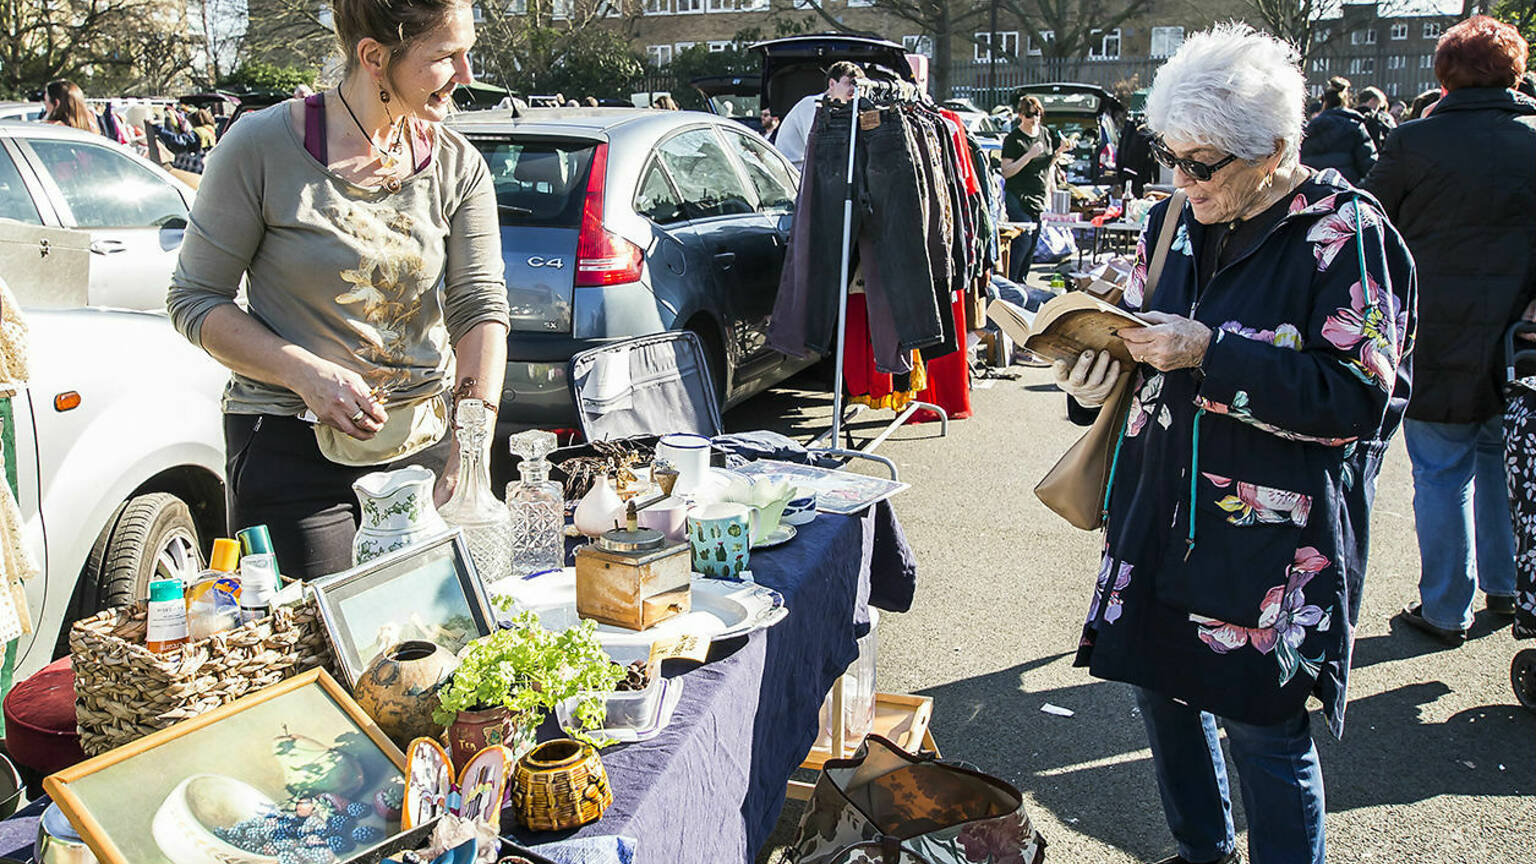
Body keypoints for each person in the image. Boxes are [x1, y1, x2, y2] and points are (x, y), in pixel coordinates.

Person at [1054, 24, 1415, 864]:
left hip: (1271, 543)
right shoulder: (1173, 217)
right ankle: (1201, 852)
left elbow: (1361, 398)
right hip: (1157, 514)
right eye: (1170, 155)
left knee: (1265, 737)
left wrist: (1211, 354)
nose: (1180, 179)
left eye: (1202, 162)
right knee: (1163, 702)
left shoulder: (1345, 232)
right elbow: (1147, 342)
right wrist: (1095, 382)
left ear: (1276, 149)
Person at [165, 0, 510, 579]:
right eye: (445, 57)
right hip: (291, 451)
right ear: (374, 57)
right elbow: (194, 300)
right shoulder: (259, 148)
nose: (466, 76)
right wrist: (305, 373)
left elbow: (480, 309)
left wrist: (470, 453)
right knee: (321, 653)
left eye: (467, 52)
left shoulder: (459, 165)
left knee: (438, 644)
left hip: (421, 449)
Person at [1363, 15, 1535, 644]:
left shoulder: (1414, 143)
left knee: (1440, 470)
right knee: (1504, 456)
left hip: (1433, 330)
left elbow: (1370, 223)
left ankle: (1445, 606)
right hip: (1519, 335)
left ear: (1444, 73)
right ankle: (1510, 582)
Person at [999, 95, 1073, 282]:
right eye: (1031, 115)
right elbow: (1006, 171)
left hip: (1038, 196)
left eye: (1038, 114)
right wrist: (1029, 156)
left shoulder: (1045, 134)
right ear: (1021, 115)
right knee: (1023, 240)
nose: (1035, 119)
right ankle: (1012, 281)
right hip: (1018, 196)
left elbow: (1047, 165)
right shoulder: (1013, 139)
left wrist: (1058, 153)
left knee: (1033, 243)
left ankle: (1021, 281)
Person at [773, 60, 862, 173]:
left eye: (857, 85)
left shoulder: (840, 110)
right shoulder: (813, 105)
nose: (853, 89)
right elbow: (816, 149)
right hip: (792, 172)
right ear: (832, 84)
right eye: (849, 83)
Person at [1299, 75, 1377, 183]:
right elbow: (1369, 166)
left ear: (1324, 102)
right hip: (1345, 189)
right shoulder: (1355, 127)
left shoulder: (1310, 128)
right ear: (1346, 100)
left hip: (1314, 188)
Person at [1356, 85, 1396, 150]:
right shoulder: (1375, 119)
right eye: (1378, 104)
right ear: (1372, 100)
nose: (1378, 109)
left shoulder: (1349, 115)